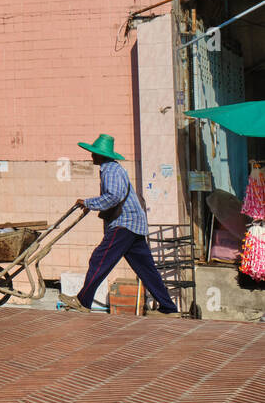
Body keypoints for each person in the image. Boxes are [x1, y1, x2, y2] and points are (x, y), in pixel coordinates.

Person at [59, 133, 180, 317]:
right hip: (134, 225)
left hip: (124, 223)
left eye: (94, 153)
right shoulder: (114, 169)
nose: (91, 156)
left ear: (102, 155)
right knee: (146, 268)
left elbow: (114, 196)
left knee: (99, 259)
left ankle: (83, 301)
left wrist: (89, 203)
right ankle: (168, 308)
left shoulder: (111, 170)